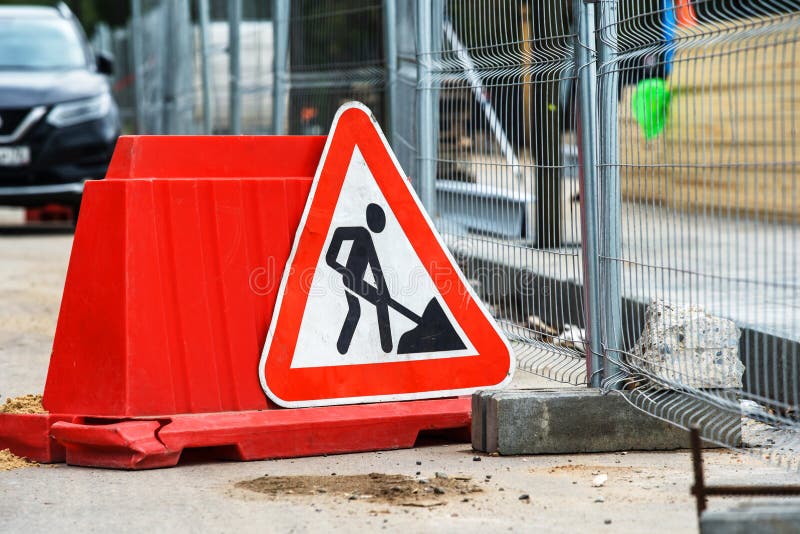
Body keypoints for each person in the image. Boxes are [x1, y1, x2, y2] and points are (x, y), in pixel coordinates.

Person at [325, 203, 392, 355]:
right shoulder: (360, 233)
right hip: (350, 280)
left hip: (356, 282)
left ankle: (386, 350)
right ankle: (385, 347)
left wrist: (384, 292)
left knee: (376, 304)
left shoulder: (367, 235)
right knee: (356, 309)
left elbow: (376, 267)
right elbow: (330, 257)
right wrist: (342, 270)